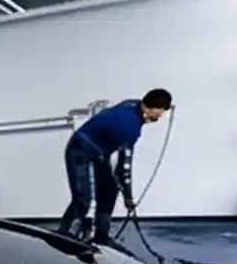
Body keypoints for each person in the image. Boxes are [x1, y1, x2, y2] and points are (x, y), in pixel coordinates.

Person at [57, 89, 173, 247]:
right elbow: (122, 167)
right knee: (84, 199)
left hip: (99, 152)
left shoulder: (132, 105)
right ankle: (64, 237)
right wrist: (128, 197)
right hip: (79, 150)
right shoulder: (130, 129)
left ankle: (101, 236)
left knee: (109, 189)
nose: (160, 116)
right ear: (149, 108)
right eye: (159, 112)